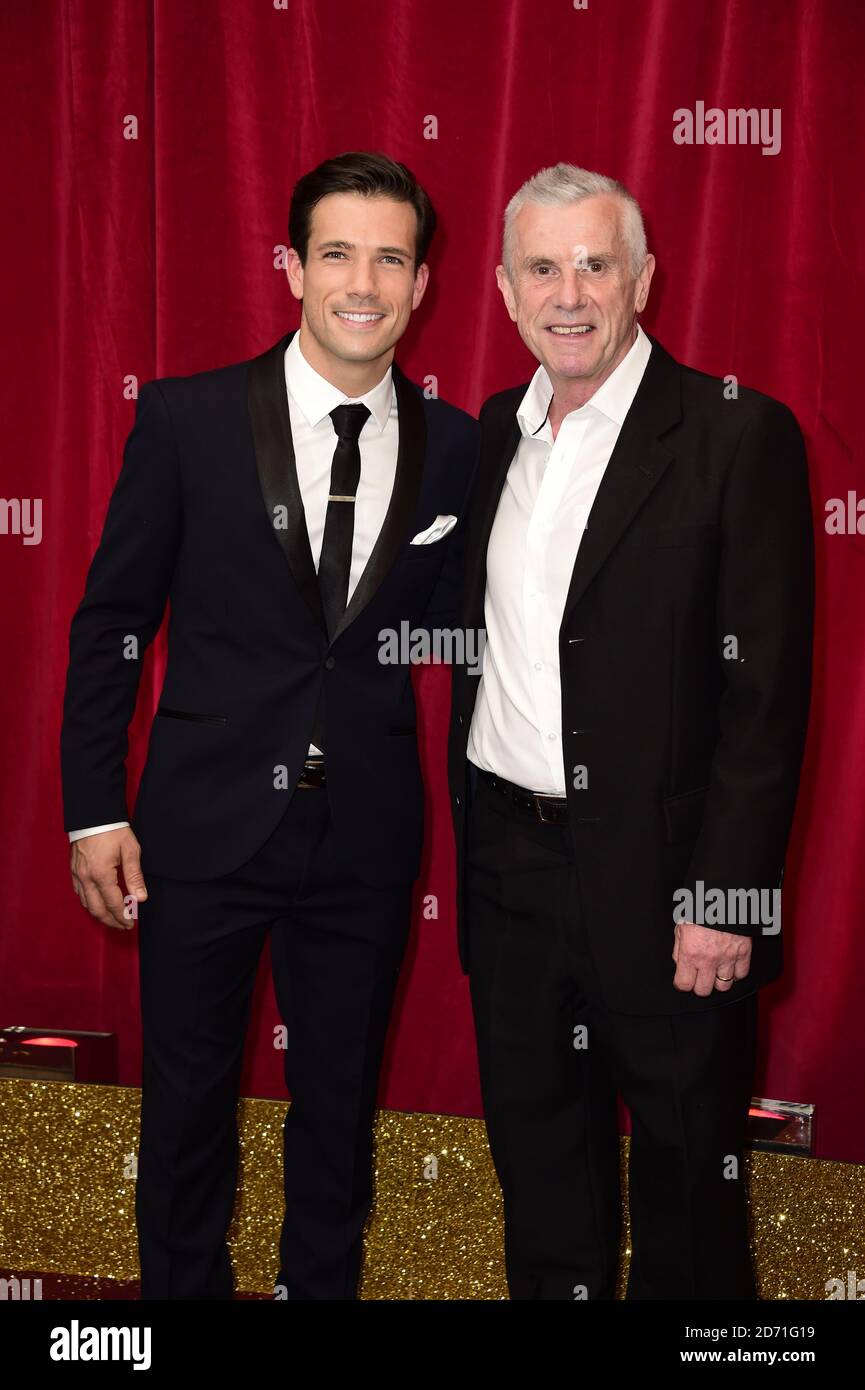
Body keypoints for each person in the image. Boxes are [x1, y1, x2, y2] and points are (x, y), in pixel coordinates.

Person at [61, 150, 478, 1300]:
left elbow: (450, 640)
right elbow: (112, 624)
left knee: (337, 1114)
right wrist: (94, 808)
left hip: (364, 842)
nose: (363, 279)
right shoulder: (189, 418)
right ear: (291, 266)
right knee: (186, 1109)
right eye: (336, 251)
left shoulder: (457, 448)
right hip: (196, 831)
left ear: (422, 282)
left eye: (389, 257)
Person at [447, 163, 814, 1300]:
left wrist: (722, 899)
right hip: (510, 870)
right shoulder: (483, 444)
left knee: (688, 1199)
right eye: (543, 268)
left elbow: (767, 699)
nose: (570, 293)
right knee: (540, 1176)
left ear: (642, 279)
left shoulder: (733, 434)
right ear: (506, 292)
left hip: (669, 888)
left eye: (595, 264)